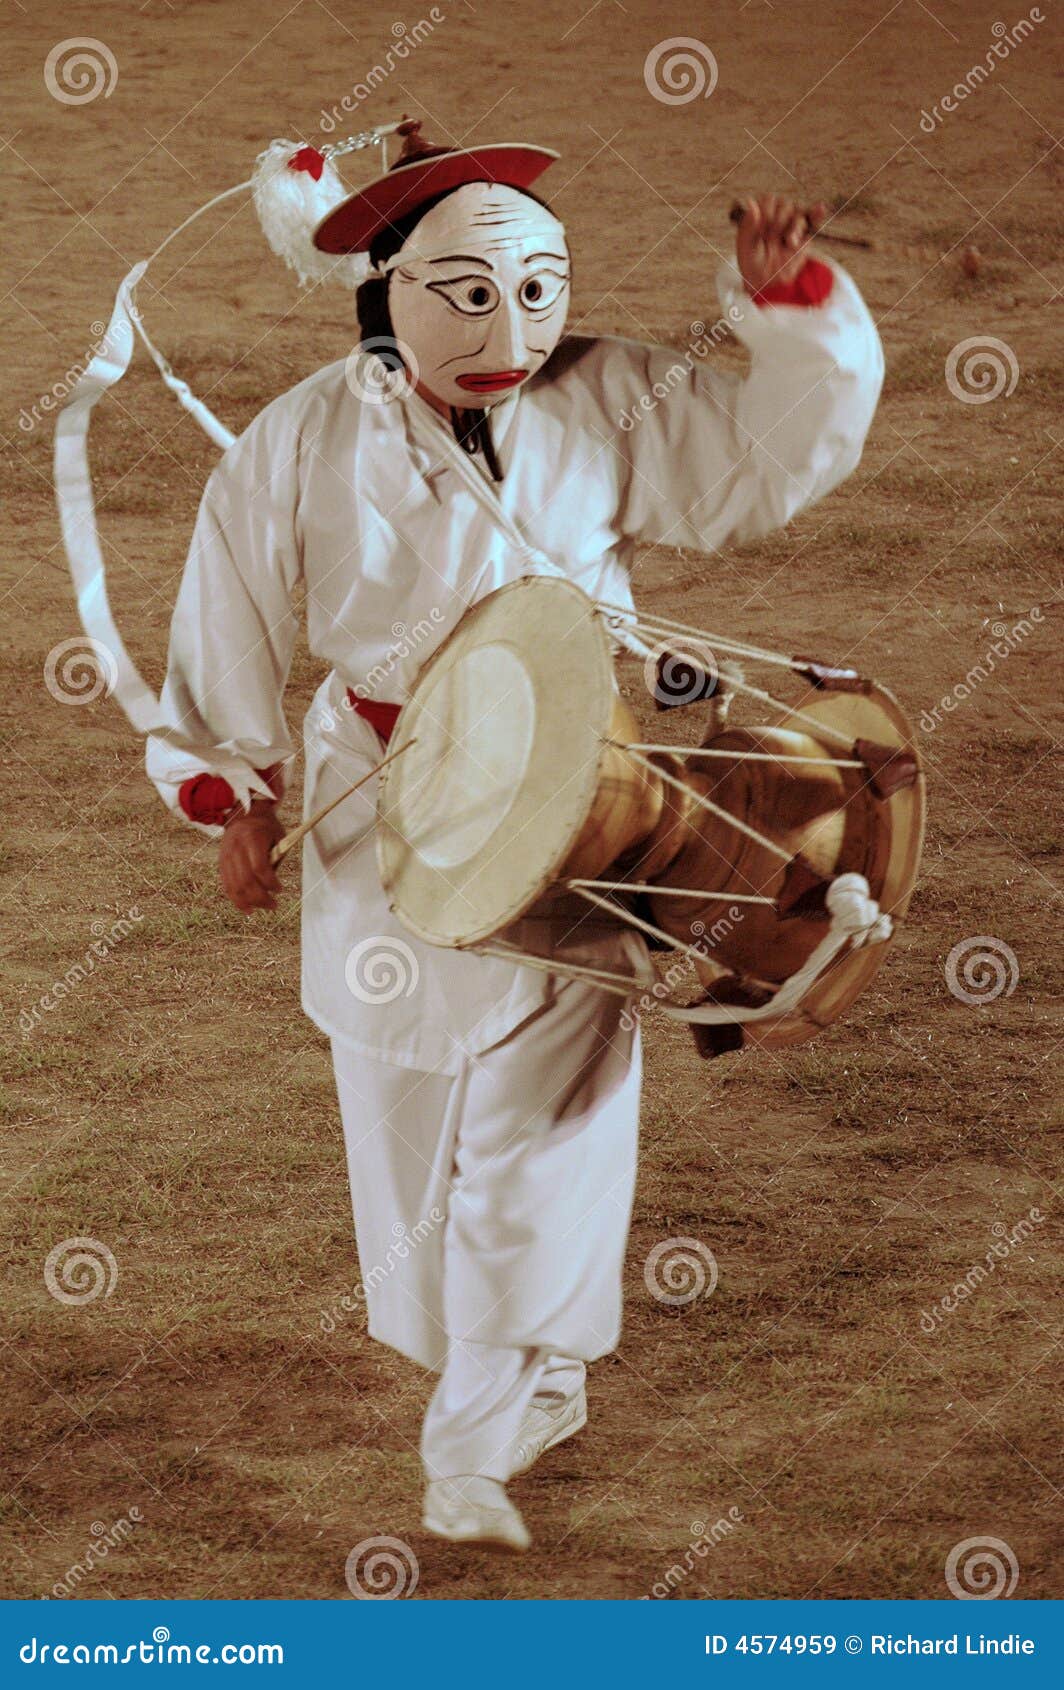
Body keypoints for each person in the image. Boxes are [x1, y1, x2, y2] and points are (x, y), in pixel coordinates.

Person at [146, 124, 884, 1550]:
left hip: (577, 786)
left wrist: (792, 315)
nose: (515, 331)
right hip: (388, 792)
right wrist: (231, 789)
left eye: (536, 290)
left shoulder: (602, 398)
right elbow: (224, 601)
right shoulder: (300, 440)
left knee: (548, 1109)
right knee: (405, 1094)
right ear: (391, 295)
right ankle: (514, 1364)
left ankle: (482, 1416)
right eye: (471, 293)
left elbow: (757, 459)